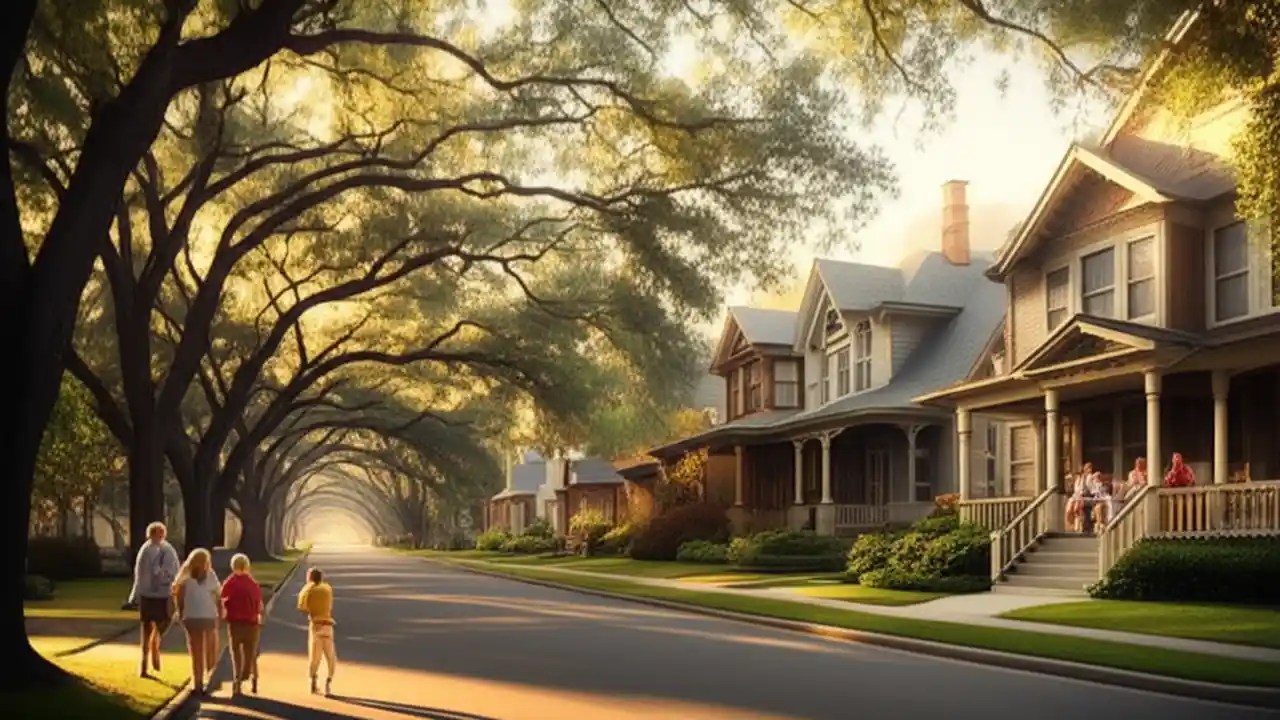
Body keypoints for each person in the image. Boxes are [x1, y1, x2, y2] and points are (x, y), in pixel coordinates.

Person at [128, 521, 180, 678]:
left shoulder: (167, 550)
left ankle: (154, 642)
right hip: (151, 595)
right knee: (147, 627)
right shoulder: (148, 550)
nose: (158, 536)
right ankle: (144, 664)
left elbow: (174, 571)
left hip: (160, 594)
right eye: (155, 533)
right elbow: (140, 574)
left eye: (160, 533)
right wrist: (135, 594)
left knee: (162, 623)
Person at [173, 548, 220, 695]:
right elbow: (218, 594)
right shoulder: (210, 575)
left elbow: (178, 597)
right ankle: (210, 680)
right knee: (210, 650)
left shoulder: (185, 576)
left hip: (191, 616)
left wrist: (181, 613)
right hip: (208, 615)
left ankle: (197, 683)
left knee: (196, 651)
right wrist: (219, 612)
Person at [220, 553, 263, 696]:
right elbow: (259, 605)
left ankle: (237, 679)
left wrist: (226, 607)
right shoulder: (253, 583)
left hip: (235, 622)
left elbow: (222, 596)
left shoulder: (230, 582)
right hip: (252, 622)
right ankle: (252, 676)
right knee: (250, 652)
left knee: (236, 652)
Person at [297, 567, 336, 696]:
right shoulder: (327, 589)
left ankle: (313, 679)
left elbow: (302, 607)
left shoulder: (307, 590)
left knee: (314, 657)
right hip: (328, 625)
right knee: (330, 656)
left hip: (315, 625)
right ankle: (328, 682)